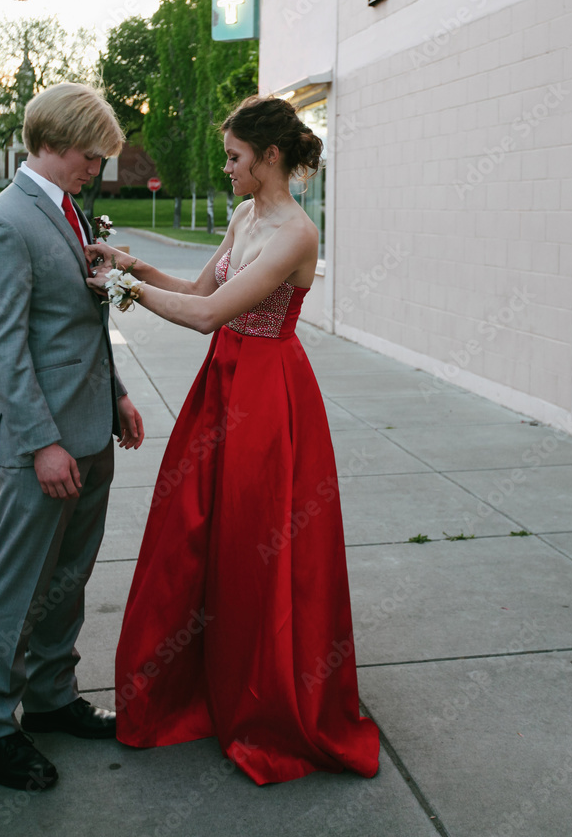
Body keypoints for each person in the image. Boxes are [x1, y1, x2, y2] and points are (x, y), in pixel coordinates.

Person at [86, 95, 379, 785]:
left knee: (254, 541)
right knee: (190, 528)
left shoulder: (296, 234)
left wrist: (120, 285)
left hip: (268, 394)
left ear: (269, 157)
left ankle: (265, 694)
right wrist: (132, 264)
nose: (227, 168)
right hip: (223, 383)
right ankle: (197, 681)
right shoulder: (246, 214)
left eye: (235, 157)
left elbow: (209, 314)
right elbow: (194, 285)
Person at [0, 82, 144, 791]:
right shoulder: (4, 220)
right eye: (91, 155)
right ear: (54, 141)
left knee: (69, 578)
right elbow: (5, 346)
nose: (96, 169)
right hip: (47, 447)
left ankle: (48, 697)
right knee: (18, 586)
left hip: (91, 429)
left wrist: (119, 397)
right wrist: (42, 442)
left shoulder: (72, 213)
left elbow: (81, 326)